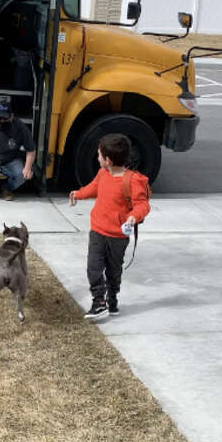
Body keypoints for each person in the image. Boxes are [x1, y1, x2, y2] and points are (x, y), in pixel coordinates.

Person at [68, 133, 150, 320]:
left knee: (114, 270)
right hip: (97, 231)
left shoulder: (132, 180)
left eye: (98, 155)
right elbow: (93, 188)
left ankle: (112, 298)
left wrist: (132, 217)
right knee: (93, 267)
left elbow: (142, 205)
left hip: (118, 237)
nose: (97, 158)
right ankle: (99, 301)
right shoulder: (102, 173)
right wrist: (78, 194)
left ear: (108, 160)